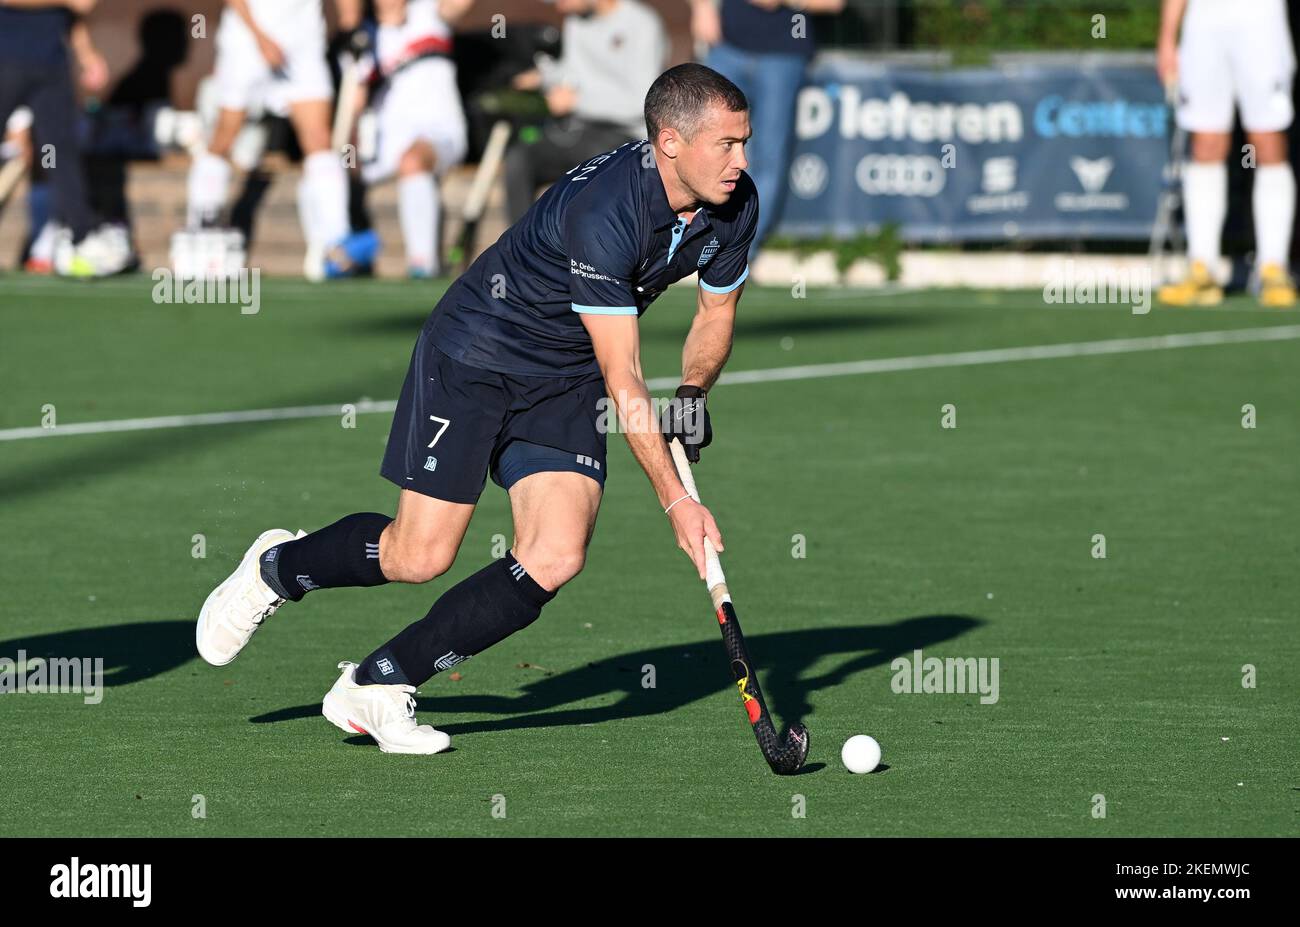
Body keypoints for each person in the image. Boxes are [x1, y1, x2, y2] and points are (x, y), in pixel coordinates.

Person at [196, 63, 756, 755]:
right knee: (419, 553)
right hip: (478, 351)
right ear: (670, 141)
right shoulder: (607, 209)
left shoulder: (733, 203)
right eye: (726, 144)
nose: (741, 161)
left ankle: (378, 683)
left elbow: (716, 308)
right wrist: (677, 503)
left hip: (564, 372)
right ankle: (277, 567)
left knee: (555, 552)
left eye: (744, 142)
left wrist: (694, 396)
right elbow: (625, 376)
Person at [185, 0, 369, 279]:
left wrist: (351, 24)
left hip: (303, 44)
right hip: (246, 42)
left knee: (319, 139)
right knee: (224, 136)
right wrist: (261, 38)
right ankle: (201, 233)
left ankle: (335, 244)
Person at [1156, 0, 1298, 308]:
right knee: (1205, 141)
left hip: (1260, 17)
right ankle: (1202, 268)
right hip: (1203, 22)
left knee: (1267, 139)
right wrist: (1168, 37)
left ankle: (1274, 267)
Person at [690, 0, 844, 261]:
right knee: (708, 144)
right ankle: (698, 241)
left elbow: (834, 4)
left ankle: (738, 253)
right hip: (727, 47)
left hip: (782, 55)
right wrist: (702, 7)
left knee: (766, 158)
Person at [503, 0, 667, 224]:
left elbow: (642, 101)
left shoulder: (642, 24)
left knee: (594, 161)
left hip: (625, 137)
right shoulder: (575, 21)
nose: (559, 7)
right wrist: (544, 77)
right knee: (518, 159)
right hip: (576, 131)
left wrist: (577, 102)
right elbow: (573, 73)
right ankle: (521, 251)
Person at [0, 0, 131, 277]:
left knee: (61, 153)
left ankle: (81, 238)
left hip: (51, 67)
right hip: (6, 59)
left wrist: (87, 55)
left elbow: (70, 15)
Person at [351, 0, 472, 277]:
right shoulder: (364, 36)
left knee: (412, 161)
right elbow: (354, 104)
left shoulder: (429, 13)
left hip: (438, 133)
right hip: (384, 142)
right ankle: (341, 257)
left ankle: (422, 264)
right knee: (333, 170)